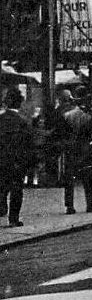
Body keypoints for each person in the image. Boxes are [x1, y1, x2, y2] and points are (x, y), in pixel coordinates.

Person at [55, 88, 92, 215]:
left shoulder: (67, 115)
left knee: (69, 177)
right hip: (85, 148)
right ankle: (90, 203)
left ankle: (69, 206)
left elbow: (60, 132)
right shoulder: (89, 115)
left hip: (70, 148)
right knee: (88, 176)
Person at [0, 88, 34, 227]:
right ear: (19, 104)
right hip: (17, 162)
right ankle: (13, 219)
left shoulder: (1, 120)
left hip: (1, 160)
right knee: (16, 190)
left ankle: (2, 209)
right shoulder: (22, 122)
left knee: (1, 187)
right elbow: (28, 144)